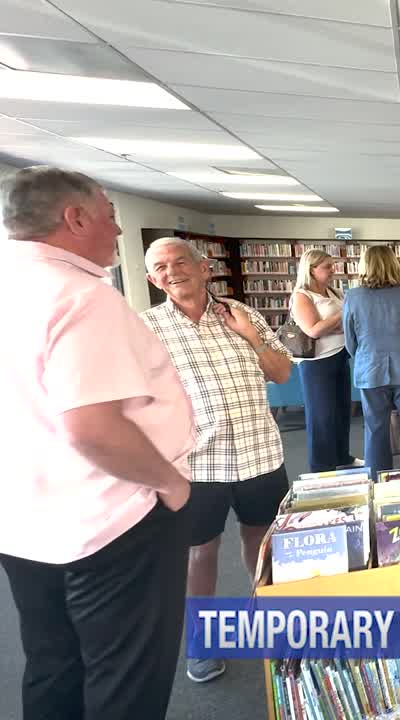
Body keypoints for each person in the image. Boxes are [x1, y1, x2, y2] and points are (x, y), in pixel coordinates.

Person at [3, 166, 195, 720]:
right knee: (124, 675)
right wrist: (170, 481)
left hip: (23, 522)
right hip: (111, 520)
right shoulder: (81, 295)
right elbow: (91, 426)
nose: (116, 232)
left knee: (52, 663)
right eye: (111, 217)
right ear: (75, 217)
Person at [141, 235, 293, 684]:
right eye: (162, 267)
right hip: (197, 463)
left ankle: (266, 618)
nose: (173, 271)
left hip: (259, 451)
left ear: (204, 267)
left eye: (181, 261)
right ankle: (202, 642)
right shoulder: (145, 328)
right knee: (198, 551)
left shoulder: (242, 315)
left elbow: (282, 372)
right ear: (153, 279)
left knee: (263, 542)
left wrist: (250, 335)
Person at [343, 245, 400, 475]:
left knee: (375, 428)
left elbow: (349, 341)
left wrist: (366, 356)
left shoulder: (353, 296)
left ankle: (377, 480)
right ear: (395, 264)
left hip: (370, 369)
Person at [290, 248, 357, 473]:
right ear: (311, 269)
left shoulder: (334, 292)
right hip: (317, 362)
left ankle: (342, 457)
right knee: (322, 415)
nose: (332, 271)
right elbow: (313, 330)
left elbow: (348, 324)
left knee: (341, 410)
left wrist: (334, 323)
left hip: (340, 355)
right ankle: (322, 468)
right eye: (327, 267)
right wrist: (342, 315)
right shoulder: (302, 296)